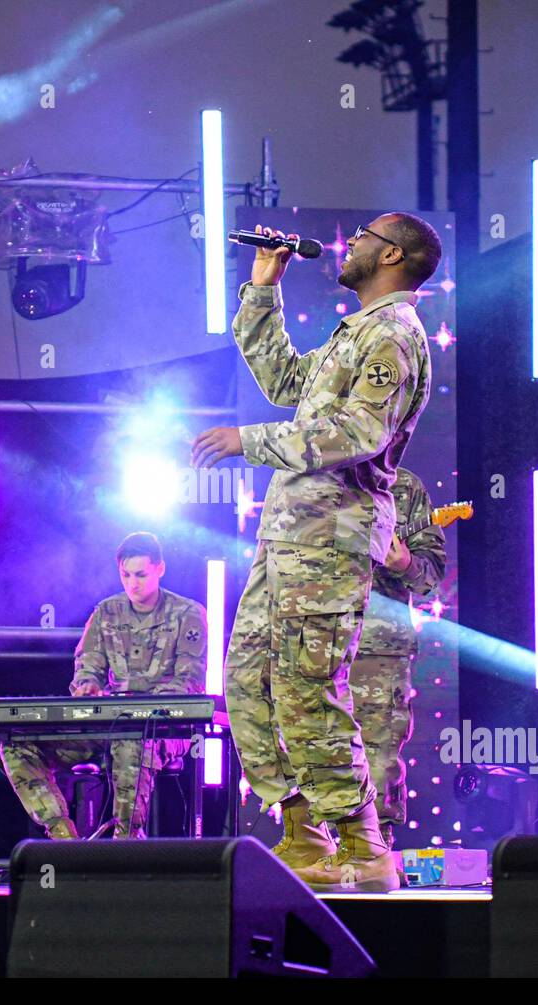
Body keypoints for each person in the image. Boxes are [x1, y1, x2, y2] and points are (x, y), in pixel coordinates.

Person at [192, 214, 441, 891]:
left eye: (365, 235)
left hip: (331, 537)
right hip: (289, 535)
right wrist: (263, 289)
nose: (350, 241)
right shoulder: (356, 332)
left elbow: (359, 432)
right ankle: (305, 833)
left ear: (392, 255)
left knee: (308, 687)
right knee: (248, 683)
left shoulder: (394, 335)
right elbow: (285, 384)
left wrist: (250, 441)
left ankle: (365, 845)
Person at [1, 532, 207, 839]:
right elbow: (87, 665)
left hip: (166, 728)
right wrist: (87, 686)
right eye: (126, 575)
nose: (132, 583)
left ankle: (125, 843)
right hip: (109, 723)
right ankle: (64, 839)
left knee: (130, 741)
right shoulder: (106, 612)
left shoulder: (188, 614)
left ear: (160, 569)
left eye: (141, 574)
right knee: (17, 745)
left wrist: (140, 707)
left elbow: (189, 681)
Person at [349, 468, 446, 858]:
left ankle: (375, 852)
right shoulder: (311, 476)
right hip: (313, 642)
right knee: (311, 746)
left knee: (377, 754)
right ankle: (314, 846)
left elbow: (431, 576)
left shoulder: (403, 487)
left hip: (378, 649)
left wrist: (406, 563)